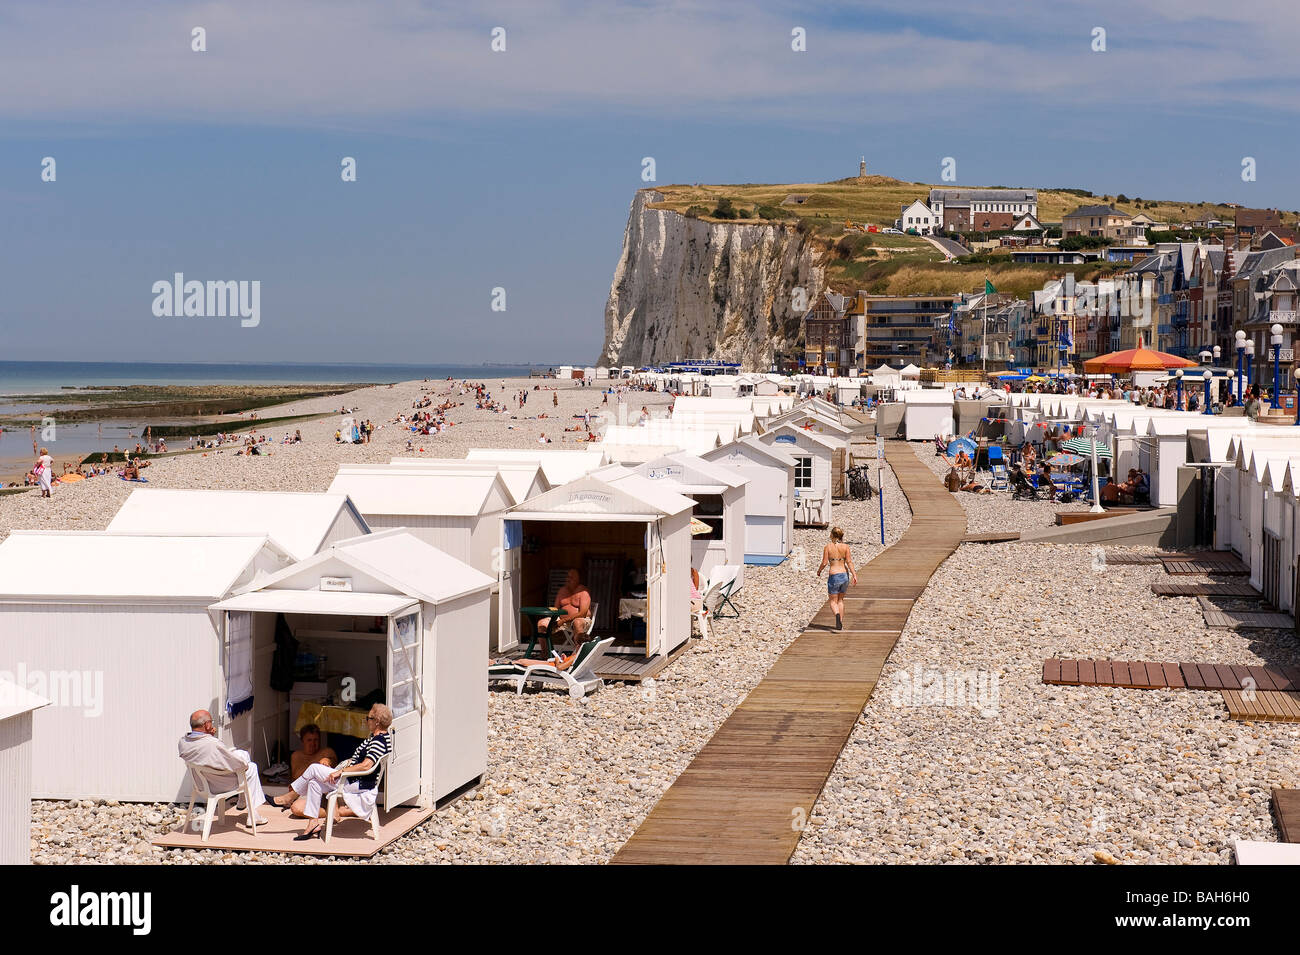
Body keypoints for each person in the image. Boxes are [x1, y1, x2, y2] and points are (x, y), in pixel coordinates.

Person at [287, 704, 393, 841]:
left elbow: (367, 765)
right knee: (313, 783)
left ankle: (289, 796)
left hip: (355, 782)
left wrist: (341, 771)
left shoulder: (378, 741)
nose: (366, 721)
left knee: (314, 768)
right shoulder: (379, 738)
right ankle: (313, 824)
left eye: (368, 718)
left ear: (377, 721)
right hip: (354, 780)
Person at [177, 709, 273, 825]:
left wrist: (209, 736)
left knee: (242, 754)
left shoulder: (183, 742)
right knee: (251, 767)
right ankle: (253, 815)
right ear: (207, 725)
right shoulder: (212, 743)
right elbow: (240, 765)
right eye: (211, 722)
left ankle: (242, 801)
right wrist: (212, 738)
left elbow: (209, 754)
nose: (212, 724)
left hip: (201, 783)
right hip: (219, 785)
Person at [536, 568, 591, 653]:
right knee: (541, 624)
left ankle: (578, 654)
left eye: (572, 577)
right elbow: (556, 609)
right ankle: (545, 653)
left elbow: (583, 613)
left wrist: (563, 620)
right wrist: (551, 615)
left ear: (579, 579)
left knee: (577, 623)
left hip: (580, 619)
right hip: (561, 620)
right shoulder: (562, 591)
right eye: (568, 577)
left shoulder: (583, 592)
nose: (568, 579)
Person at [816, 526, 857, 631]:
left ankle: (837, 615)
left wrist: (819, 571)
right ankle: (840, 625)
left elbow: (825, 562)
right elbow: (849, 562)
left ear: (832, 535)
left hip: (834, 575)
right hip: (844, 575)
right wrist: (854, 574)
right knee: (840, 600)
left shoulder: (828, 547)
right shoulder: (846, 547)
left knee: (833, 601)